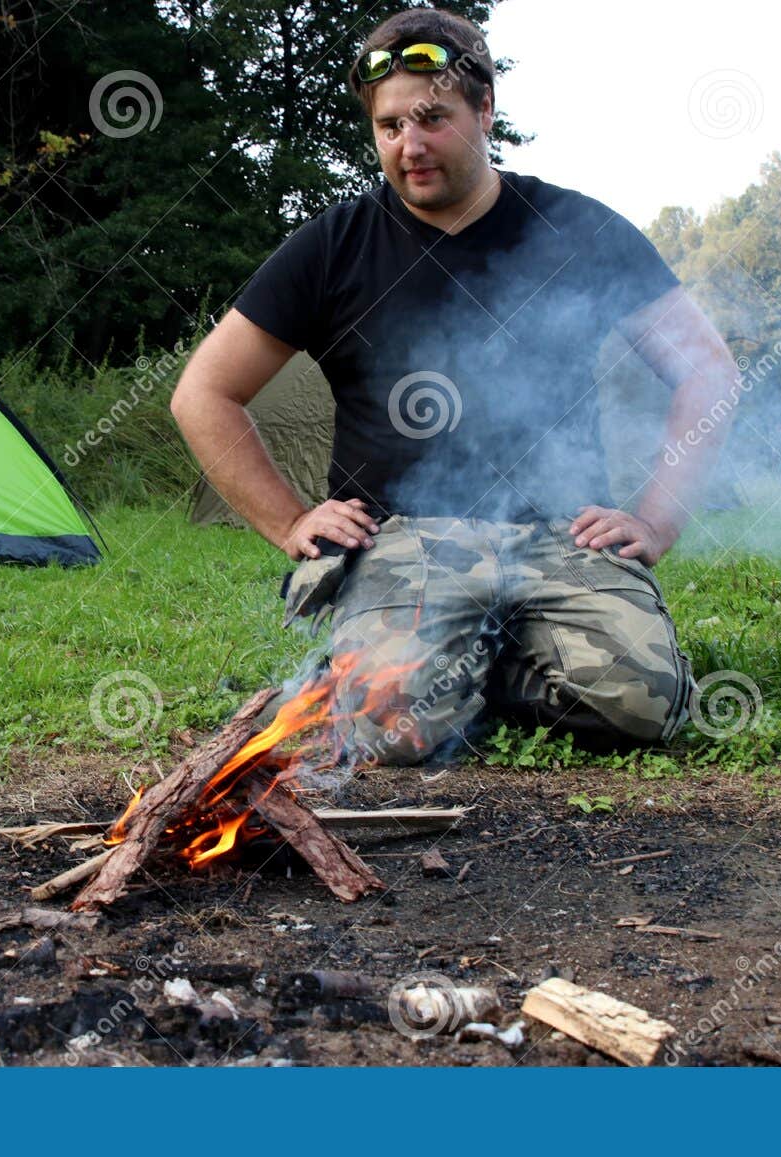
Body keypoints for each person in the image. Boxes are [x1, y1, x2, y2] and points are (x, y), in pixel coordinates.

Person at [171, 7, 738, 765]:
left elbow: (708, 370)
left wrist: (659, 518)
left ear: (485, 110)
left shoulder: (579, 228)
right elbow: (203, 392)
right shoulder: (333, 245)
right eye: (389, 125)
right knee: (388, 729)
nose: (410, 146)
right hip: (403, 539)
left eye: (432, 118)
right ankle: (412, 668)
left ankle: (481, 671)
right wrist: (290, 522)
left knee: (642, 704)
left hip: (560, 533)